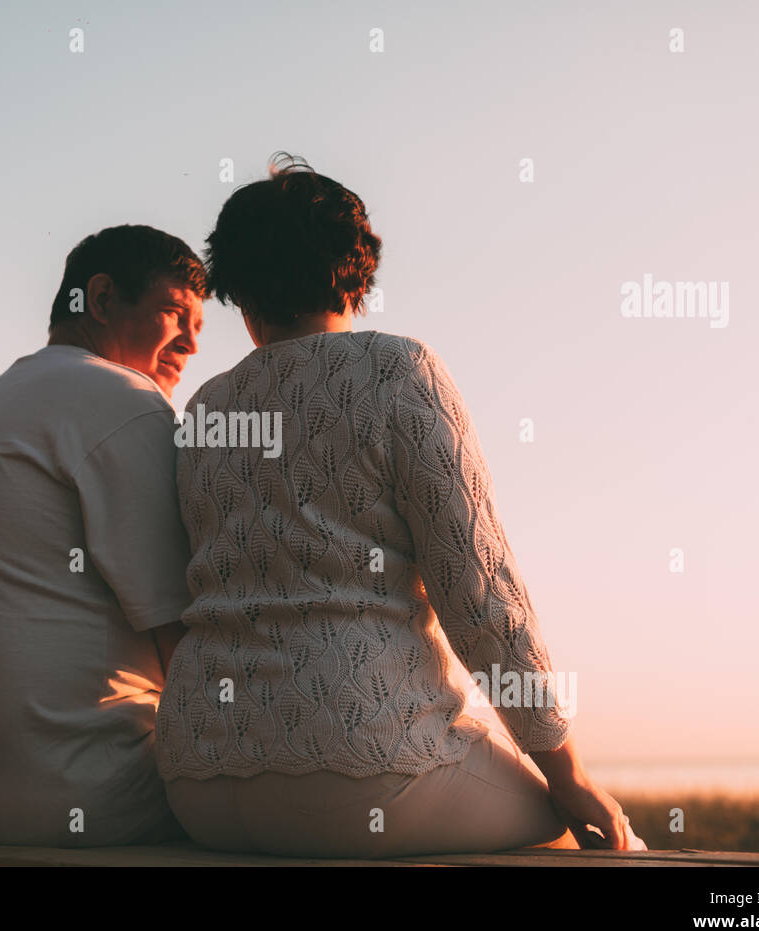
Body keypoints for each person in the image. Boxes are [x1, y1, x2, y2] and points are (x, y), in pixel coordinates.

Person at [157, 154, 646, 857]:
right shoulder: (394, 370)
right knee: (582, 836)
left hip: (197, 782)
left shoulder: (205, 408)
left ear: (236, 285)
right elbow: (481, 595)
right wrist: (567, 774)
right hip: (364, 773)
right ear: (356, 268)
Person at [0, 224, 206, 846]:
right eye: (174, 313)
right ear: (103, 298)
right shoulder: (124, 401)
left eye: (199, 326)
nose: (191, 342)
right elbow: (181, 639)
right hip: (84, 791)